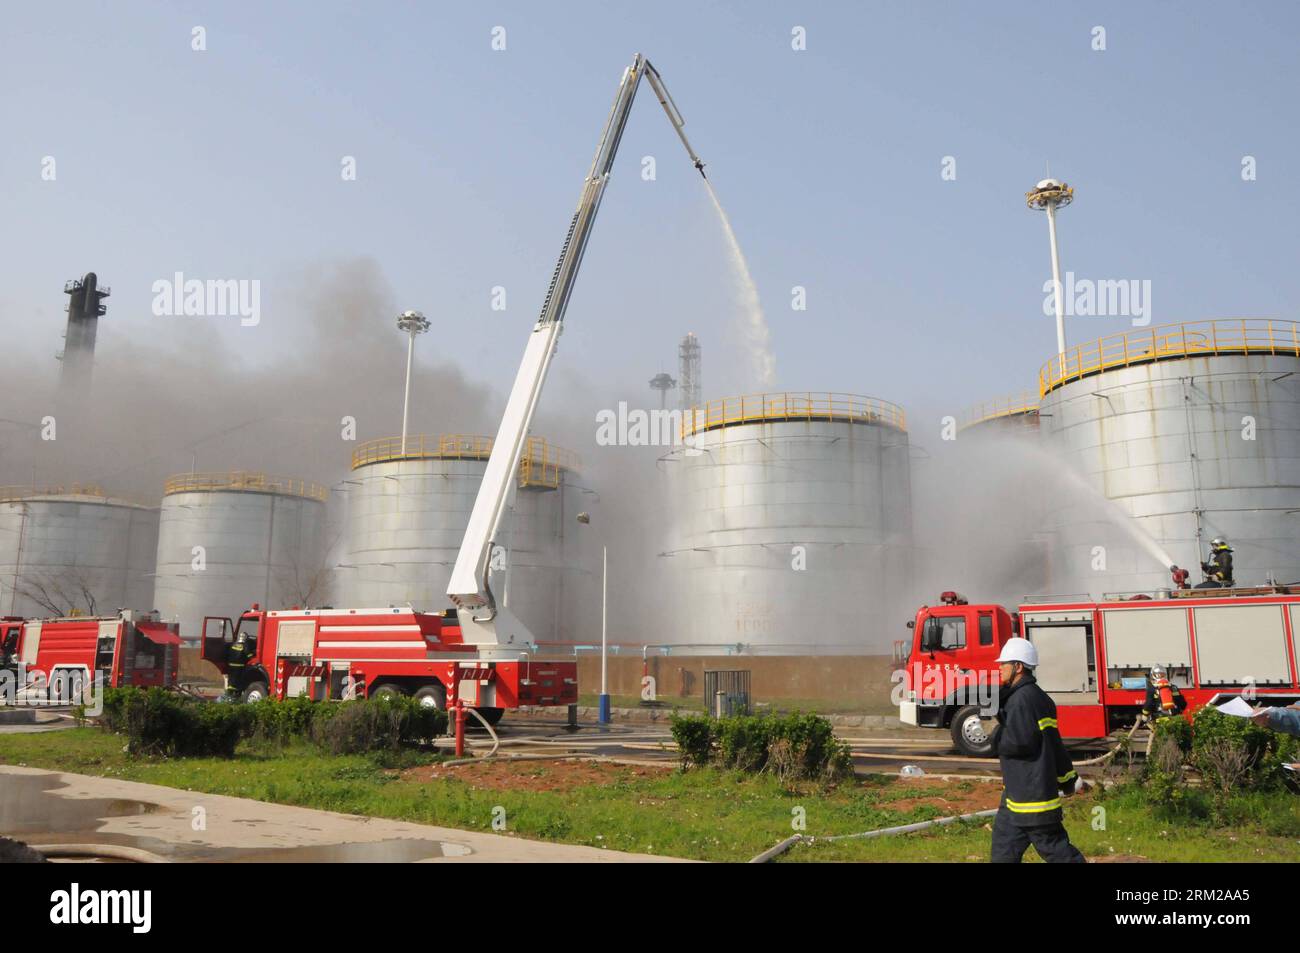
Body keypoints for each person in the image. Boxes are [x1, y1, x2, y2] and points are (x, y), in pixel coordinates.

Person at [988, 637, 1086, 863]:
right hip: (1016, 795)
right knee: (1003, 852)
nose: (1000, 668)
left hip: (1031, 799)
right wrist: (1067, 778)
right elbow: (1054, 745)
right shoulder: (1041, 698)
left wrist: (993, 733)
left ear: (1018, 667)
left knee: (1056, 851)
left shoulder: (1021, 700)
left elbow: (1019, 742)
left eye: (1004, 664)